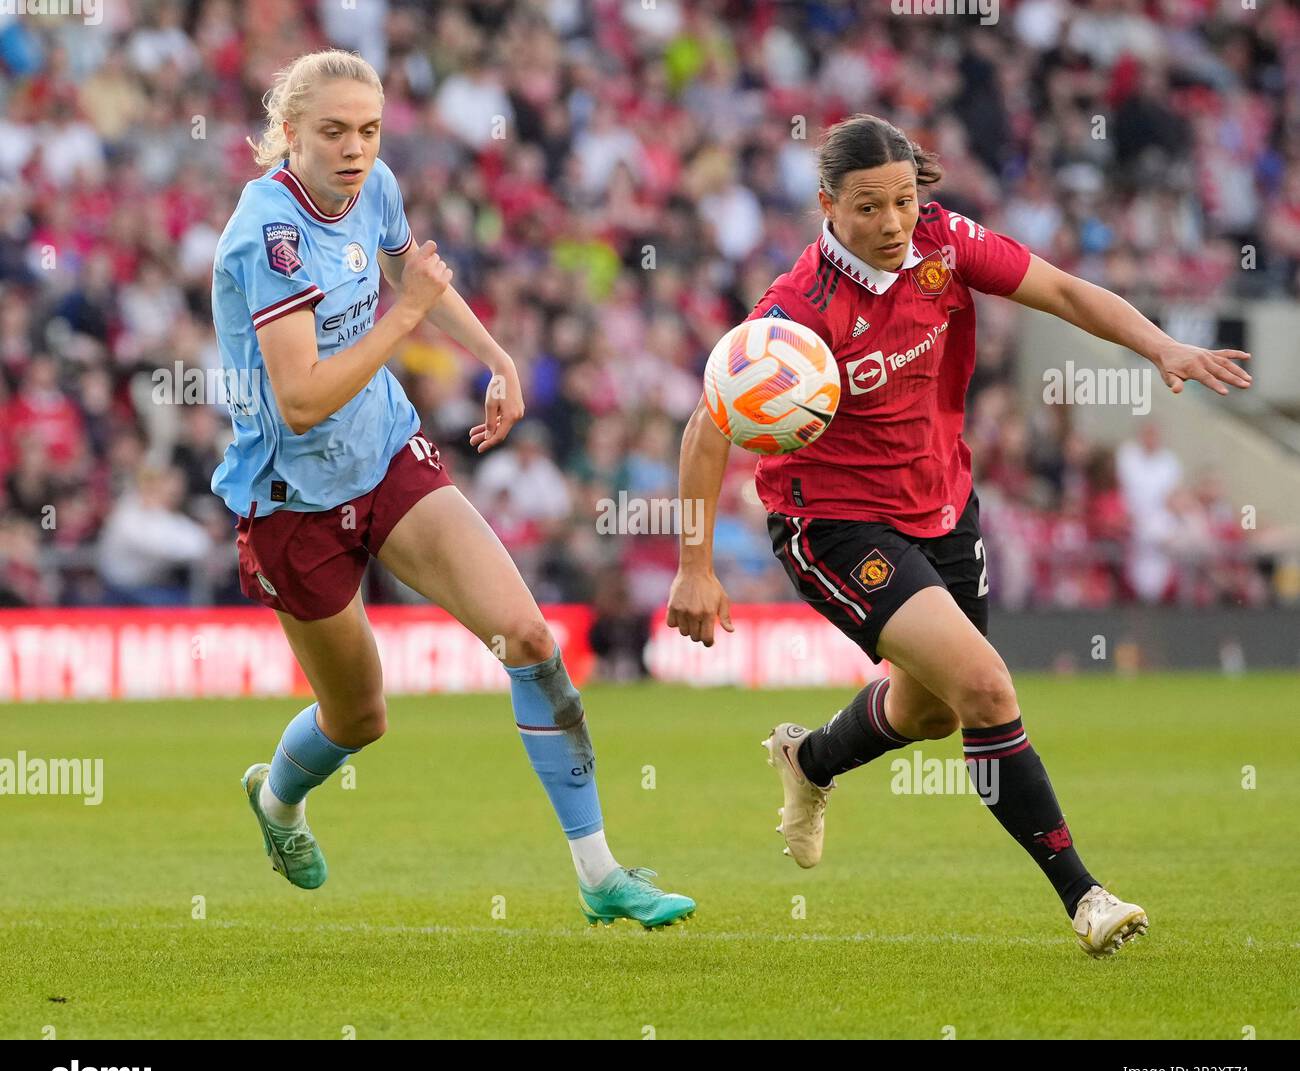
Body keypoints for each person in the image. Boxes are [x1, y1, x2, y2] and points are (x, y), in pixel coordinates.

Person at [667, 114, 1251, 956]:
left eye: (904, 199)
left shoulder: (946, 243)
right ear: (827, 206)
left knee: (933, 713)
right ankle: (1083, 896)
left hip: (941, 503)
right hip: (830, 522)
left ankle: (810, 761)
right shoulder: (796, 312)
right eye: (869, 207)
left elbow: (1064, 292)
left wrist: (1160, 346)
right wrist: (695, 564)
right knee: (986, 688)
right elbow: (706, 427)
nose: (894, 223)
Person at [212, 49, 693, 929]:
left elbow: (410, 277)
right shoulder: (266, 238)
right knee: (358, 718)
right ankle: (277, 802)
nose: (356, 149)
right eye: (333, 132)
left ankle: (601, 874)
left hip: (390, 455)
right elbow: (306, 398)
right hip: (291, 501)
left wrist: (496, 357)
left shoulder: (376, 186)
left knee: (528, 636)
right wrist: (406, 317)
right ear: (288, 135)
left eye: (368, 130)